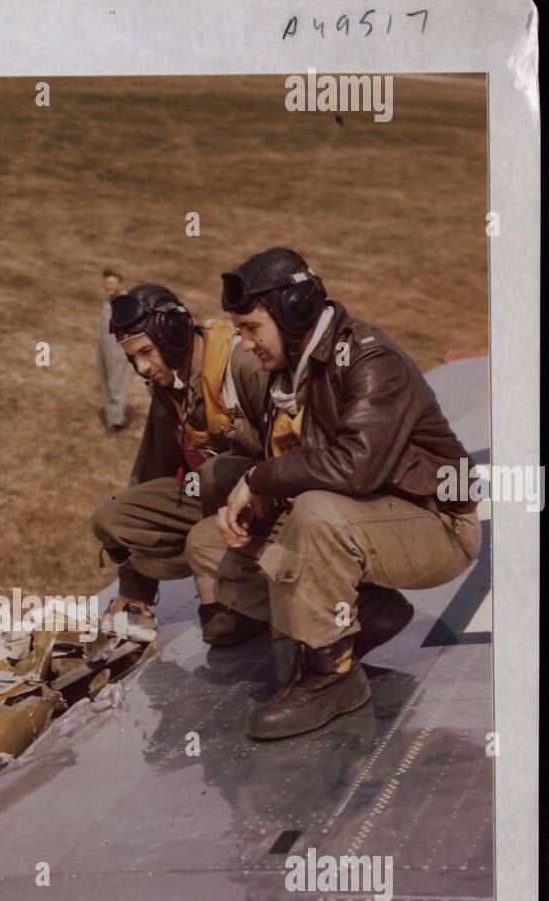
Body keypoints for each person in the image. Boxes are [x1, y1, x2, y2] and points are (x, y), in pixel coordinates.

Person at [184, 248, 481, 740]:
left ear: (294, 312)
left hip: (436, 523)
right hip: (367, 517)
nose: (245, 342)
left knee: (319, 515)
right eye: (238, 331)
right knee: (209, 548)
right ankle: (365, 611)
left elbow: (356, 467)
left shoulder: (369, 358)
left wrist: (261, 479)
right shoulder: (290, 370)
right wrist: (265, 498)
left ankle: (331, 676)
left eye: (252, 328)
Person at [91, 282, 268, 643]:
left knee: (216, 473)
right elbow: (152, 469)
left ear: (172, 334)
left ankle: (240, 592)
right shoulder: (167, 389)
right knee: (111, 518)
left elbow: (294, 450)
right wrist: (135, 589)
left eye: (145, 352)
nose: (141, 367)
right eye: (131, 359)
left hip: (273, 501)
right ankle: (218, 577)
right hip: (216, 507)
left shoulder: (242, 365)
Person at [97, 268, 133, 432]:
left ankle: (116, 421)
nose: (108, 286)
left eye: (111, 283)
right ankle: (111, 417)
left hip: (118, 349)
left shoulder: (125, 302)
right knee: (105, 381)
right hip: (104, 346)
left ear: (120, 283)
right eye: (106, 283)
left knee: (116, 384)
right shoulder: (108, 300)